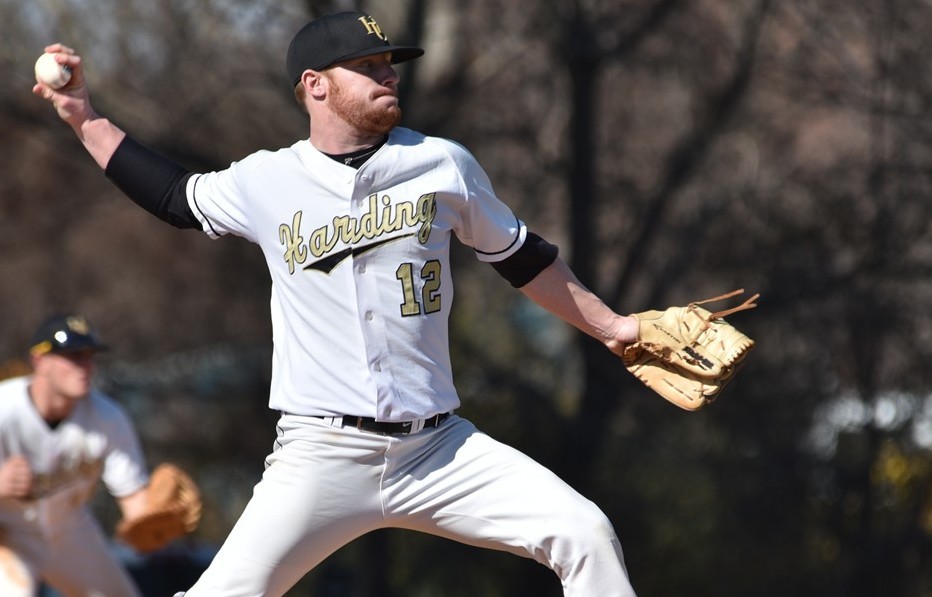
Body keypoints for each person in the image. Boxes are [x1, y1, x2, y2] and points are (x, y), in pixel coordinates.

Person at [33, 10, 641, 596]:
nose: (388, 76)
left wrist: (614, 327)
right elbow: (172, 195)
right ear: (315, 85)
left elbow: (522, 258)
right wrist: (84, 116)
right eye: (368, 65)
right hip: (322, 453)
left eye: (389, 64)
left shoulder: (442, 164)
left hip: (438, 449)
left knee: (584, 533)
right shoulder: (266, 180)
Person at [0, 314, 152, 596]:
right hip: (7, 532)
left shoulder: (107, 417)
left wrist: (150, 522)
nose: (85, 367)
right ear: (39, 361)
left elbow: (135, 500)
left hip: (69, 529)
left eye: (89, 356)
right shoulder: (4, 408)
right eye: (72, 356)